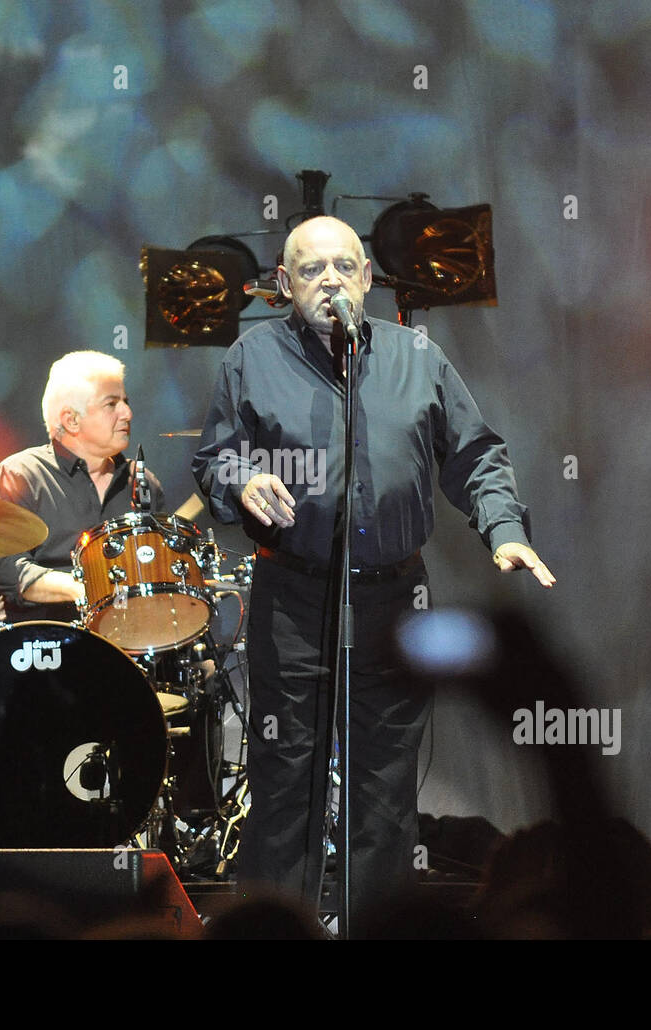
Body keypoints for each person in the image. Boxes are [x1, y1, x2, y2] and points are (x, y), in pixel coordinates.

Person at [191, 216, 554, 923]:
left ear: (364, 278)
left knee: (384, 790)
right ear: (285, 286)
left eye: (341, 266)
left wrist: (503, 529)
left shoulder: (418, 357)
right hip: (293, 595)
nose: (328, 279)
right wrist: (240, 483)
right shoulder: (251, 356)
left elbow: (475, 453)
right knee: (285, 780)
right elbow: (214, 458)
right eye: (310, 269)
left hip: (393, 594)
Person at [0, 350, 163, 625]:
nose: (127, 413)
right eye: (111, 404)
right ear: (71, 420)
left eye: (125, 402)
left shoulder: (142, 482)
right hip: (39, 643)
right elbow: (5, 569)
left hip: (127, 643)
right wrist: (83, 588)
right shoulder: (21, 474)